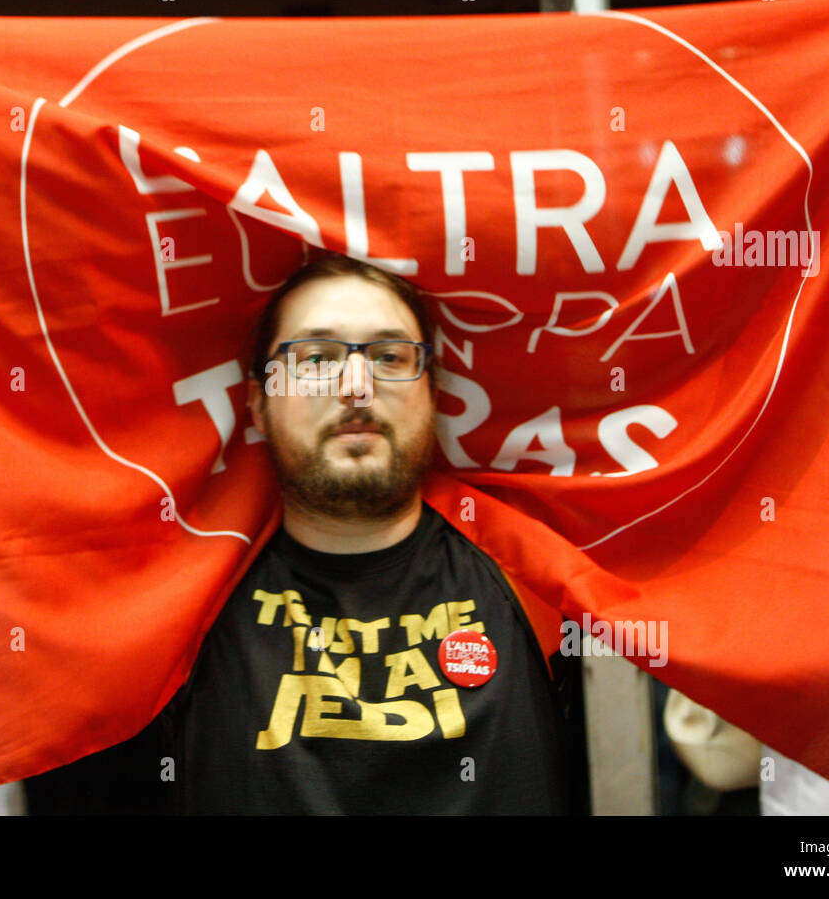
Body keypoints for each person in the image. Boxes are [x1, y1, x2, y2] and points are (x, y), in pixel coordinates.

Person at [148, 252, 576, 814]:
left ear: (434, 391)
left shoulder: (540, 578)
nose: (356, 386)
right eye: (316, 357)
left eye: (390, 356)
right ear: (258, 403)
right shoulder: (178, 608)